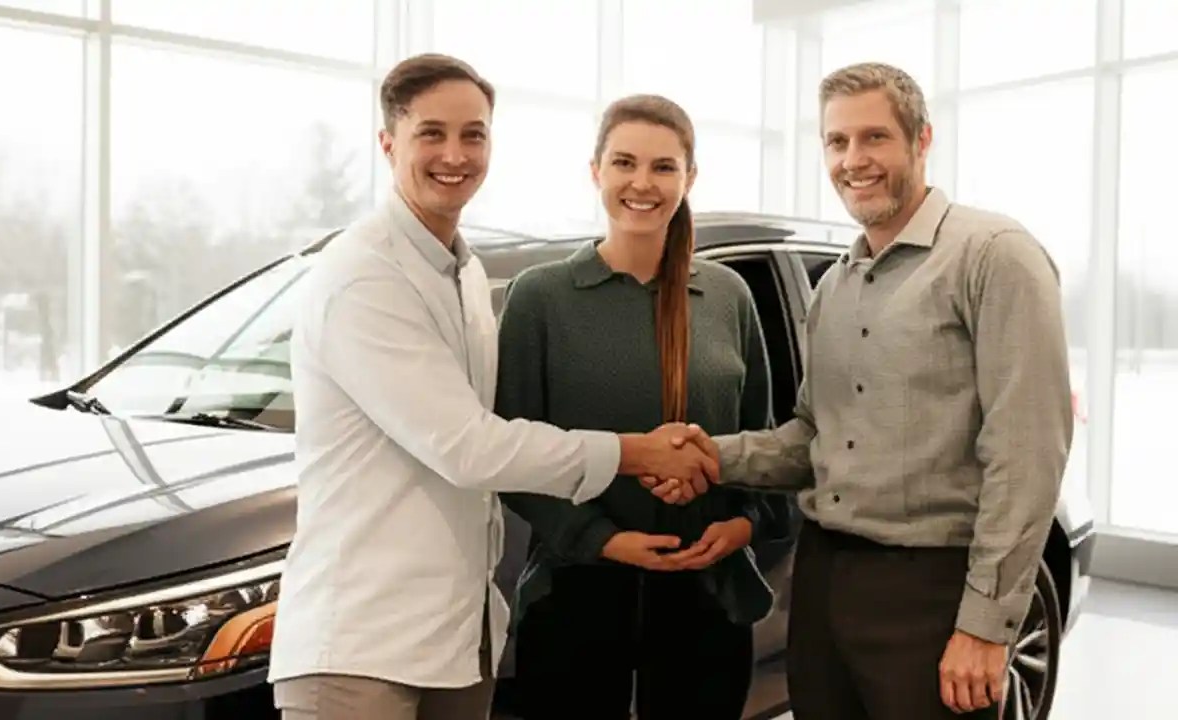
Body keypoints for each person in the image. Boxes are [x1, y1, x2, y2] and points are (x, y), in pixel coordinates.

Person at [266, 54, 719, 720]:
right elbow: (471, 447)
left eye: (473, 134)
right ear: (389, 143)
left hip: (458, 635)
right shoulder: (365, 277)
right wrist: (638, 453)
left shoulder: (464, 273)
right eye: (432, 134)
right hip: (362, 645)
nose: (455, 154)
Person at [653, 61, 1073, 719]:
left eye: (874, 137)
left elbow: (1026, 456)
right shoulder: (836, 288)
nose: (854, 160)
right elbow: (811, 439)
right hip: (821, 581)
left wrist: (987, 624)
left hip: (931, 584)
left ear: (921, 140)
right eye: (837, 142)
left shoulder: (994, 255)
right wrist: (712, 455)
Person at [494, 94, 794, 720]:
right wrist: (603, 540)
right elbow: (512, 456)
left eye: (664, 167)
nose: (642, 183)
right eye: (624, 162)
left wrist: (744, 523)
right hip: (576, 592)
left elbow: (763, 445)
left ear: (689, 178)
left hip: (709, 594)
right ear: (595, 170)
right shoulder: (540, 299)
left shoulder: (726, 296)